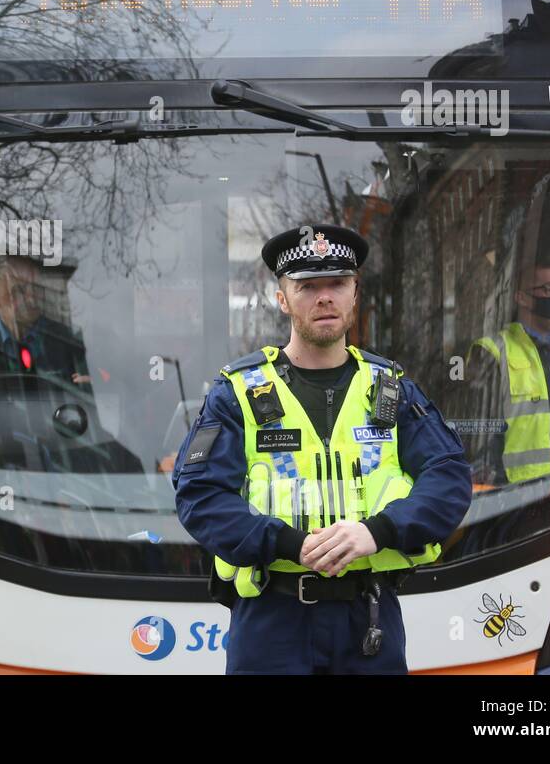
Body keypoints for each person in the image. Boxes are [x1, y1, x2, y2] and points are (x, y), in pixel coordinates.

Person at [173, 224, 472, 674]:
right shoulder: (238, 392)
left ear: (355, 293)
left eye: (336, 283)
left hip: (369, 617)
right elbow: (199, 495)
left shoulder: (391, 389)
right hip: (273, 621)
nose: (324, 297)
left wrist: (378, 532)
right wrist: (288, 544)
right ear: (282, 299)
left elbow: (449, 477)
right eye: (308, 286)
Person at [464, 262, 550, 485]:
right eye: (549, 290)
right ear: (522, 298)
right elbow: (479, 436)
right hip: (522, 495)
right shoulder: (494, 351)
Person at [0, 256, 90, 387]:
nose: (31, 299)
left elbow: (93, 391)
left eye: (37, 288)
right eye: (19, 290)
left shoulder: (67, 342)